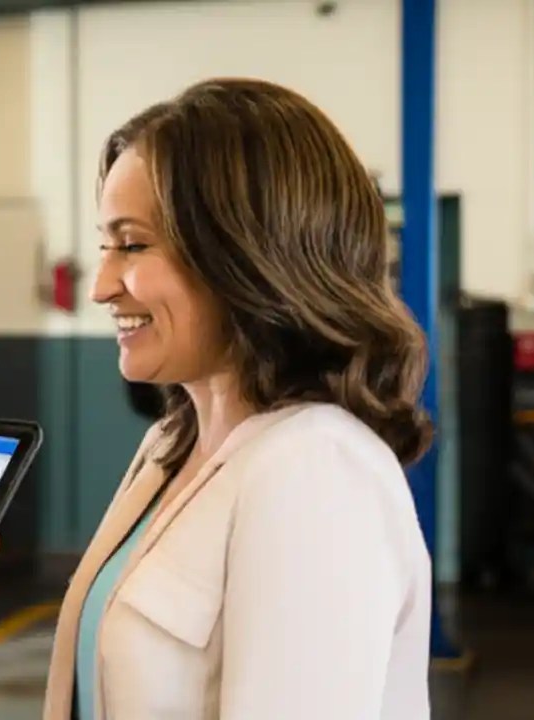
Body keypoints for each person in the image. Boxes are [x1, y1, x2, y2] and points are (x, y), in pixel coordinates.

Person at [42, 78, 434, 719]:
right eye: (105, 243)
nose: (103, 285)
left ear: (247, 256)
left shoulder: (314, 470)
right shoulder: (173, 444)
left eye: (134, 244)